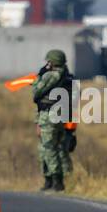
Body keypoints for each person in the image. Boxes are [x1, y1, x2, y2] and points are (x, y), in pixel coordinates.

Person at [31, 49, 73, 192]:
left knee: (48, 148)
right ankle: (56, 178)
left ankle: (56, 180)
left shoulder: (50, 75)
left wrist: (40, 75)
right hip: (62, 115)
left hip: (49, 116)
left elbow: (36, 92)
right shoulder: (68, 77)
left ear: (53, 62)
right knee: (59, 148)